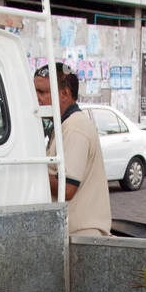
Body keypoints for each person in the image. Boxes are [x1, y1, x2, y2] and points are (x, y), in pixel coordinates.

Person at [33, 62, 109, 236]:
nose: (36, 98)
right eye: (35, 92)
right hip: (71, 233)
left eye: (42, 92)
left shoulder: (75, 128)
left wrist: (32, 173)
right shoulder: (63, 126)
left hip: (81, 235)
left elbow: (67, 188)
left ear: (65, 94)